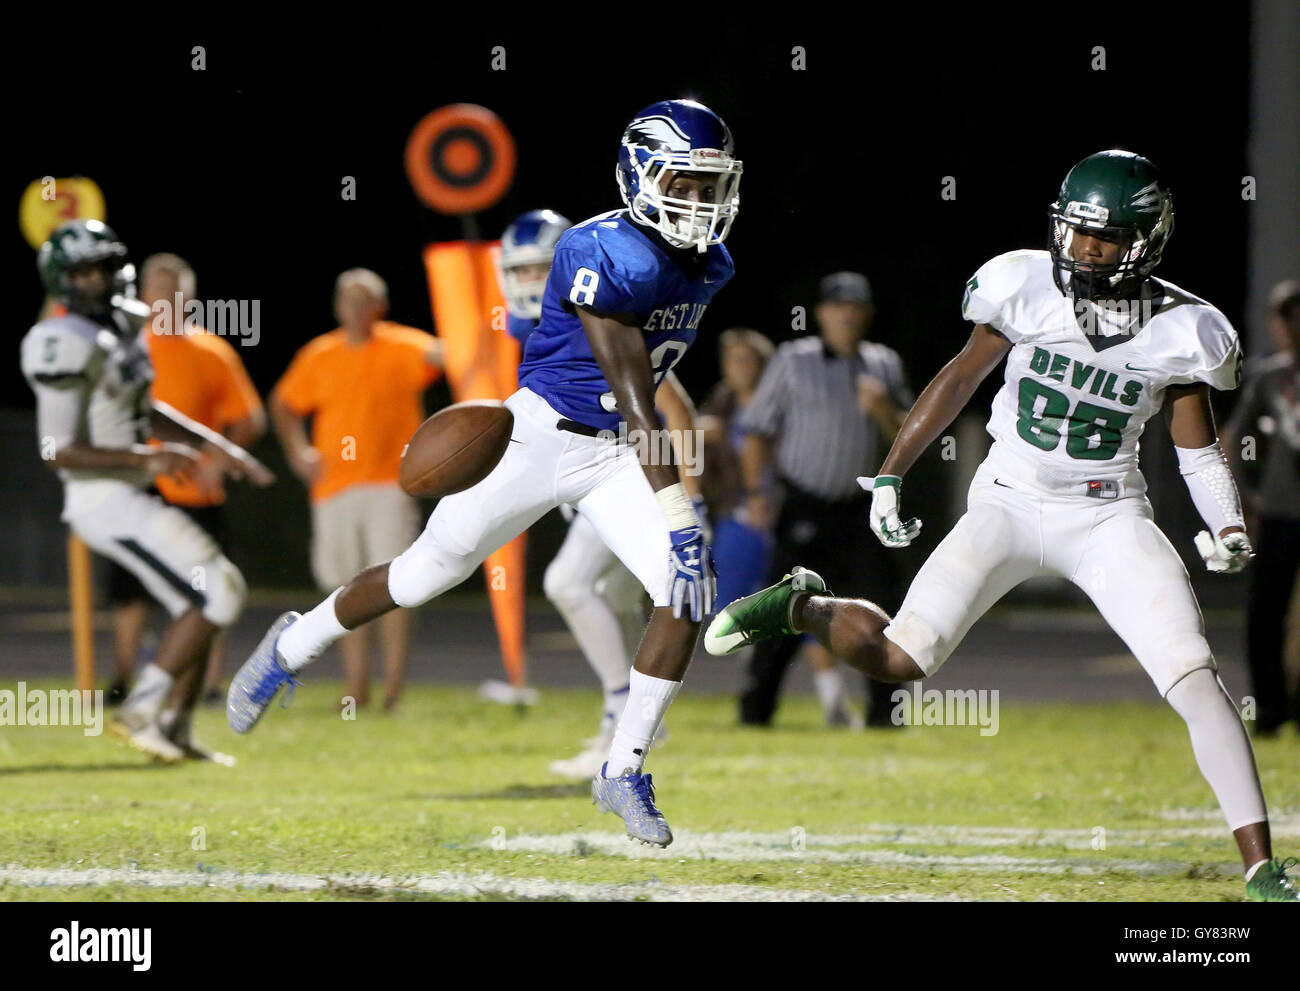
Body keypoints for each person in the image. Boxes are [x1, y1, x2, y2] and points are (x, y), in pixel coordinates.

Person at [707, 150, 1299, 901]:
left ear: (1145, 241)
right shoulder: (1022, 284)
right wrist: (890, 471)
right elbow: (958, 379)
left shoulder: (1189, 329)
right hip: (1009, 500)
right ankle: (799, 604)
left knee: (1196, 678)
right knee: (898, 659)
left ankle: (1259, 867)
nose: (1084, 250)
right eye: (1076, 232)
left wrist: (1228, 525)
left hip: (1108, 513)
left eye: (1104, 238)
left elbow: (1199, 450)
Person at [229, 99, 740, 848]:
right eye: (682, 183)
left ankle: (621, 768)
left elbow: (657, 393)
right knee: (421, 575)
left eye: (709, 185)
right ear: (639, 174)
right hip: (537, 437)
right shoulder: (600, 250)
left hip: (612, 457)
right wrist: (679, 511)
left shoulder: (713, 263)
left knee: (686, 590)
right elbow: (637, 396)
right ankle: (289, 646)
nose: (697, 203)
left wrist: (677, 519)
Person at [21, 220, 273, 763]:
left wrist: (220, 448)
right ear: (63, 280)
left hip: (130, 490)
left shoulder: (124, 326)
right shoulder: (59, 341)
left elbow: (147, 408)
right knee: (217, 594)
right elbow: (55, 449)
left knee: (213, 598)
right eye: (83, 272)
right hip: (102, 498)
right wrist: (148, 456)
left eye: (103, 268)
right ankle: (141, 712)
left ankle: (174, 726)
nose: (96, 281)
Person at [497, 209, 704, 780]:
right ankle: (630, 723)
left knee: (567, 583)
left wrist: (691, 491)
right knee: (615, 600)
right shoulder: (525, 323)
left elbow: (671, 399)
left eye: (542, 267)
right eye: (520, 270)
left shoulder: (603, 292)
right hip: (600, 467)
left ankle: (624, 714)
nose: (531, 280)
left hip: (633, 471)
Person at [736, 272, 913, 728]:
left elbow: (910, 437)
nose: (847, 315)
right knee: (785, 610)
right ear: (821, 313)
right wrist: (757, 493)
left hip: (861, 510)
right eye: (839, 306)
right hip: (804, 503)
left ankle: (887, 716)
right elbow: (758, 430)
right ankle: (756, 713)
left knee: (883, 607)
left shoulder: (884, 363)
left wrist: (882, 411)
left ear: (868, 314)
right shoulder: (794, 360)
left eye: (856, 306)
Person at [269, 269, 443, 712]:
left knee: (397, 585)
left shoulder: (403, 344)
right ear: (338, 306)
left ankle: (393, 692)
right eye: (348, 299)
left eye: (365, 300)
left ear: (380, 307)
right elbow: (285, 404)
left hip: (389, 484)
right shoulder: (321, 353)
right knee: (345, 590)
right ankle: (356, 688)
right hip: (334, 488)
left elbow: (449, 355)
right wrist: (298, 451)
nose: (356, 308)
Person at [104, 253, 266, 707]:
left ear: (190, 297)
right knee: (130, 589)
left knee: (208, 586)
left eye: (177, 290)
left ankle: (207, 685)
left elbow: (248, 417)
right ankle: (121, 680)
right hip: (140, 484)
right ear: (142, 296)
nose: (168, 300)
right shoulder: (128, 346)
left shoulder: (211, 351)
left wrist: (217, 458)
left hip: (194, 490)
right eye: (159, 290)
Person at [1223, 280, 1300, 735]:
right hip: (1281, 512)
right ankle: (1269, 708)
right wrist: (1246, 497)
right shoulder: (1270, 379)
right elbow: (1238, 440)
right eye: (1285, 318)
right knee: (1266, 614)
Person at [698, 328, 776, 611]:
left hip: (778, 506)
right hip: (736, 509)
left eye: (747, 360)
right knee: (727, 603)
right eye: (733, 360)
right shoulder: (722, 400)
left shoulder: (778, 403)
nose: (739, 368)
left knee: (796, 599)